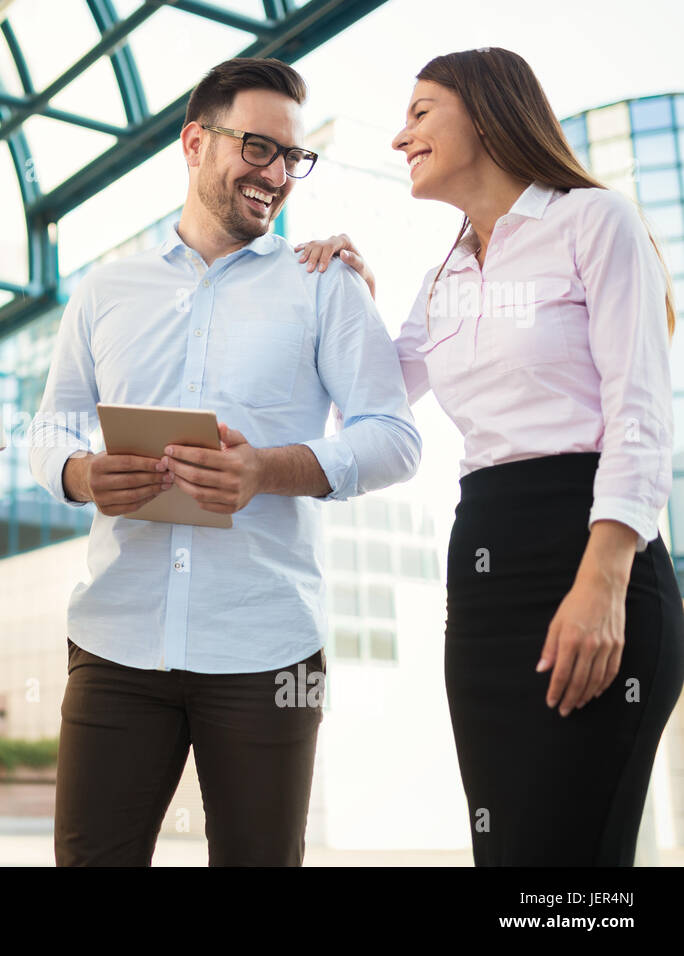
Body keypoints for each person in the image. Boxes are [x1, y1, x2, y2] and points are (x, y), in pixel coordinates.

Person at [28, 57, 421, 866]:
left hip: (267, 646)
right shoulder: (107, 291)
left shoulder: (325, 286)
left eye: (292, 158)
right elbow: (51, 429)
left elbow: (393, 436)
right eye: (258, 148)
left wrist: (266, 471)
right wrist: (79, 475)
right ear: (194, 141)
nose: (276, 175)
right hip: (116, 639)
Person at [296, 47, 684, 865]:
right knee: (506, 849)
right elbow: (378, 394)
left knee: (573, 854)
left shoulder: (595, 220)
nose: (401, 137)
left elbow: (642, 412)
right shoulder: (442, 276)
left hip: (592, 552)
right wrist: (347, 298)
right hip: (485, 569)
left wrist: (603, 580)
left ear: (486, 111)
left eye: (421, 112)